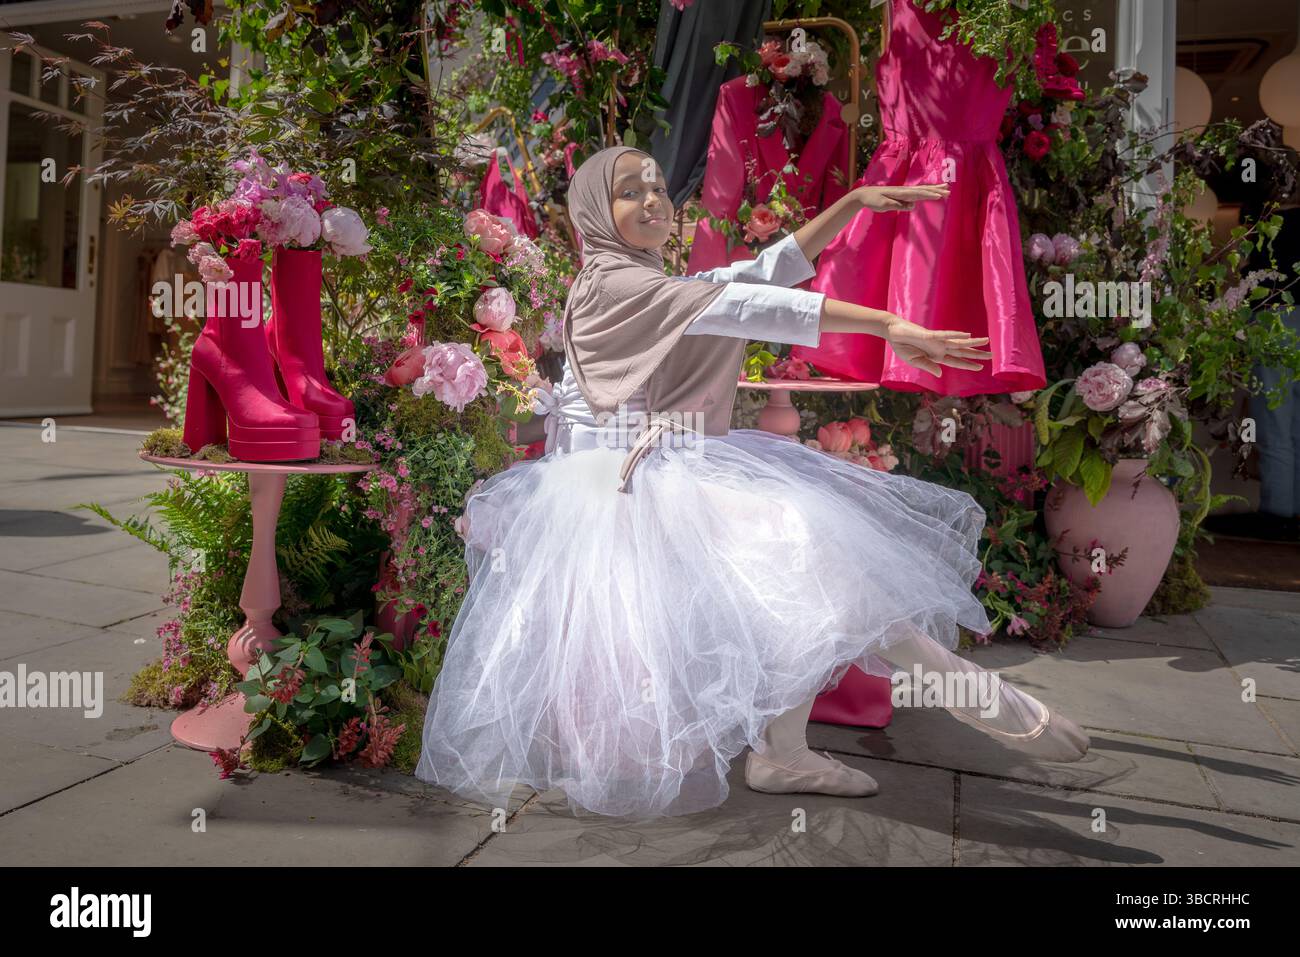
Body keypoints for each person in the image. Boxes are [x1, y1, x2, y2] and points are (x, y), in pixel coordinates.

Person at [414, 146, 1089, 820]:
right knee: (808, 553)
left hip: (658, 465)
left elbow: (755, 274)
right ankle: (967, 700)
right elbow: (743, 304)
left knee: (810, 563)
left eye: (657, 184)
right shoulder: (616, 285)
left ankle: (788, 747)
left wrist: (850, 206)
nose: (653, 200)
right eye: (629, 192)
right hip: (621, 485)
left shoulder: (639, 278)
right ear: (595, 212)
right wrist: (885, 323)